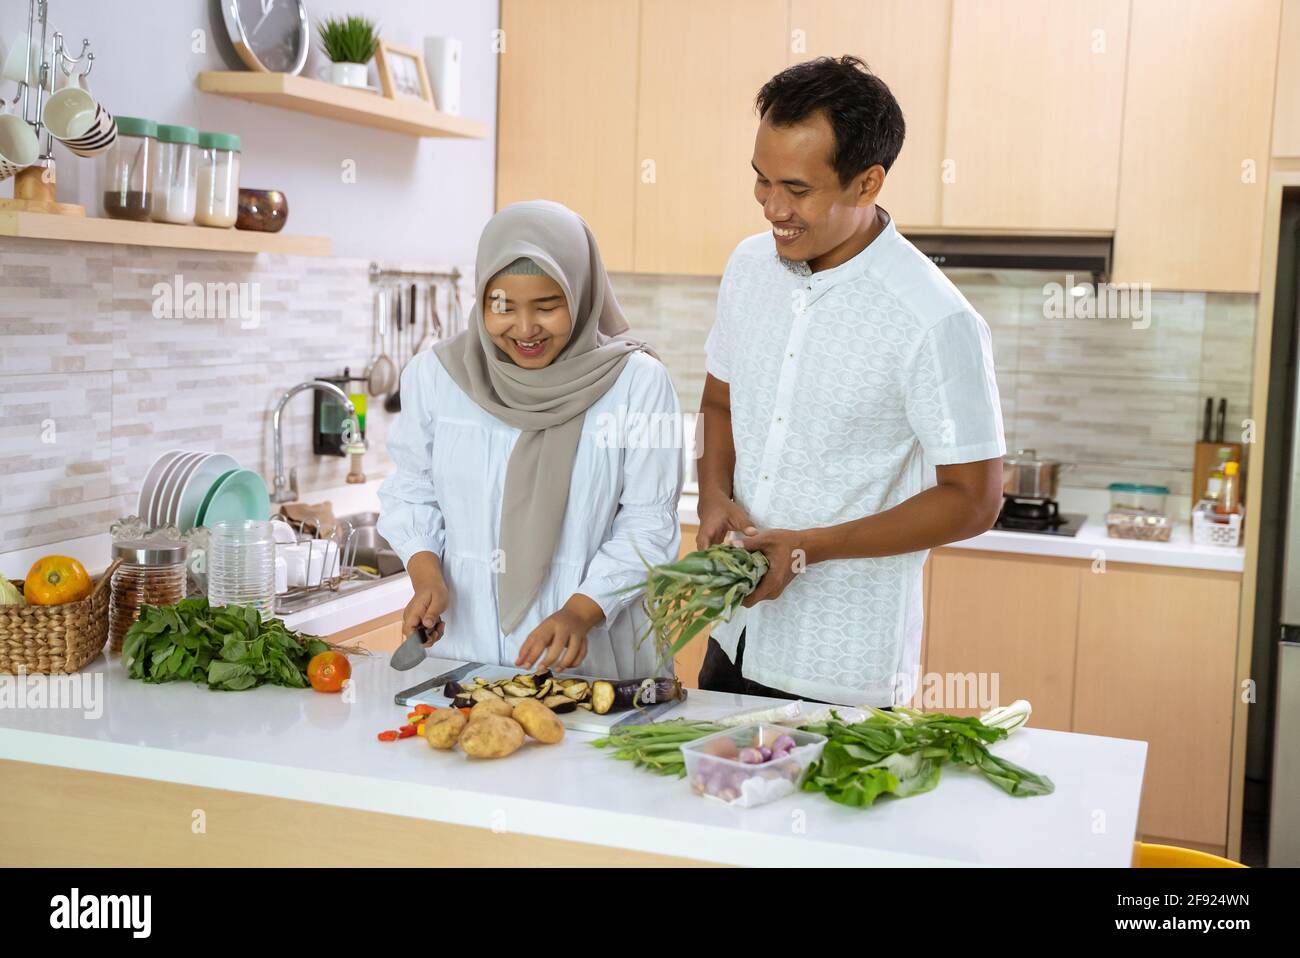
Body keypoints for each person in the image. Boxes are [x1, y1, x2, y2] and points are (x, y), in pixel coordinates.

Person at [695, 56, 1005, 706]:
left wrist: (810, 548)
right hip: (732, 637)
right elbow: (721, 400)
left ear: (866, 184)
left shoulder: (934, 319)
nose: (772, 208)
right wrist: (714, 493)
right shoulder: (748, 269)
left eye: (797, 190)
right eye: (760, 182)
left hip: (845, 673)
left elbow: (975, 500)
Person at [378, 200, 682, 677]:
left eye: (547, 306)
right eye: (502, 306)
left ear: (581, 296)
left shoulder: (636, 382)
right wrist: (425, 573)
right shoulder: (437, 376)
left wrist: (582, 611)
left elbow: (649, 524)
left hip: (591, 663)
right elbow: (411, 491)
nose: (524, 330)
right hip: (463, 656)